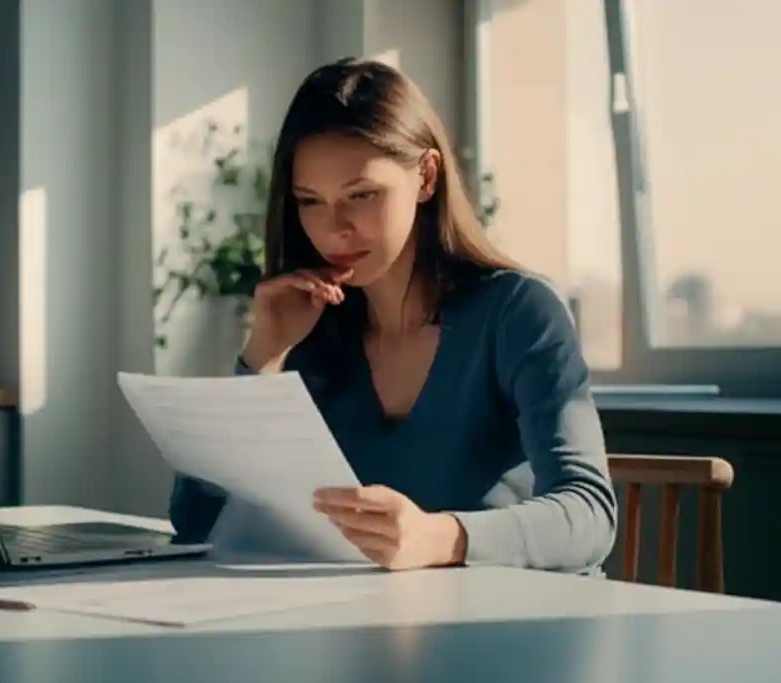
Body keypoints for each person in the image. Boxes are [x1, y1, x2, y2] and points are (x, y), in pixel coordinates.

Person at [169, 57, 617, 573]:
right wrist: (261, 357)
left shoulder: (518, 311)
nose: (335, 227)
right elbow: (196, 521)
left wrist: (442, 538)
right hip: (378, 625)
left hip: (527, 623)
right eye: (310, 201)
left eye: (362, 195)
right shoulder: (311, 327)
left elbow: (590, 513)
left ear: (426, 177)